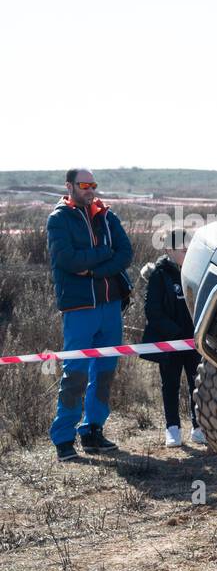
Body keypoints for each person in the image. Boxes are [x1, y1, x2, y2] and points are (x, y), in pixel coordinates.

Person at [47, 169, 134, 462]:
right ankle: (63, 438)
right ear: (69, 186)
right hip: (79, 308)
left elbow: (125, 254)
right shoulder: (58, 219)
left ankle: (93, 430)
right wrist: (103, 252)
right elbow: (67, 260)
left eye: (93, 185)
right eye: (84, 185)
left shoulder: (107, 216)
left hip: (110, 306)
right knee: (76, 373)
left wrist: (95, 268)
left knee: (105, 372)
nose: (90, 190)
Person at [140, 228, 204, 447]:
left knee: (197, 384)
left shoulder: (196, 271)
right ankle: (173, 429)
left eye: (189, 248)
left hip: (194, 341)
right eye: (181, 249)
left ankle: (198, 427)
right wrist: (174, 333)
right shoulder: (159, 275)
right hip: (169, 342)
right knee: (170, 385)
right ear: (169, 249)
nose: (186, 252)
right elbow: (152, 310)